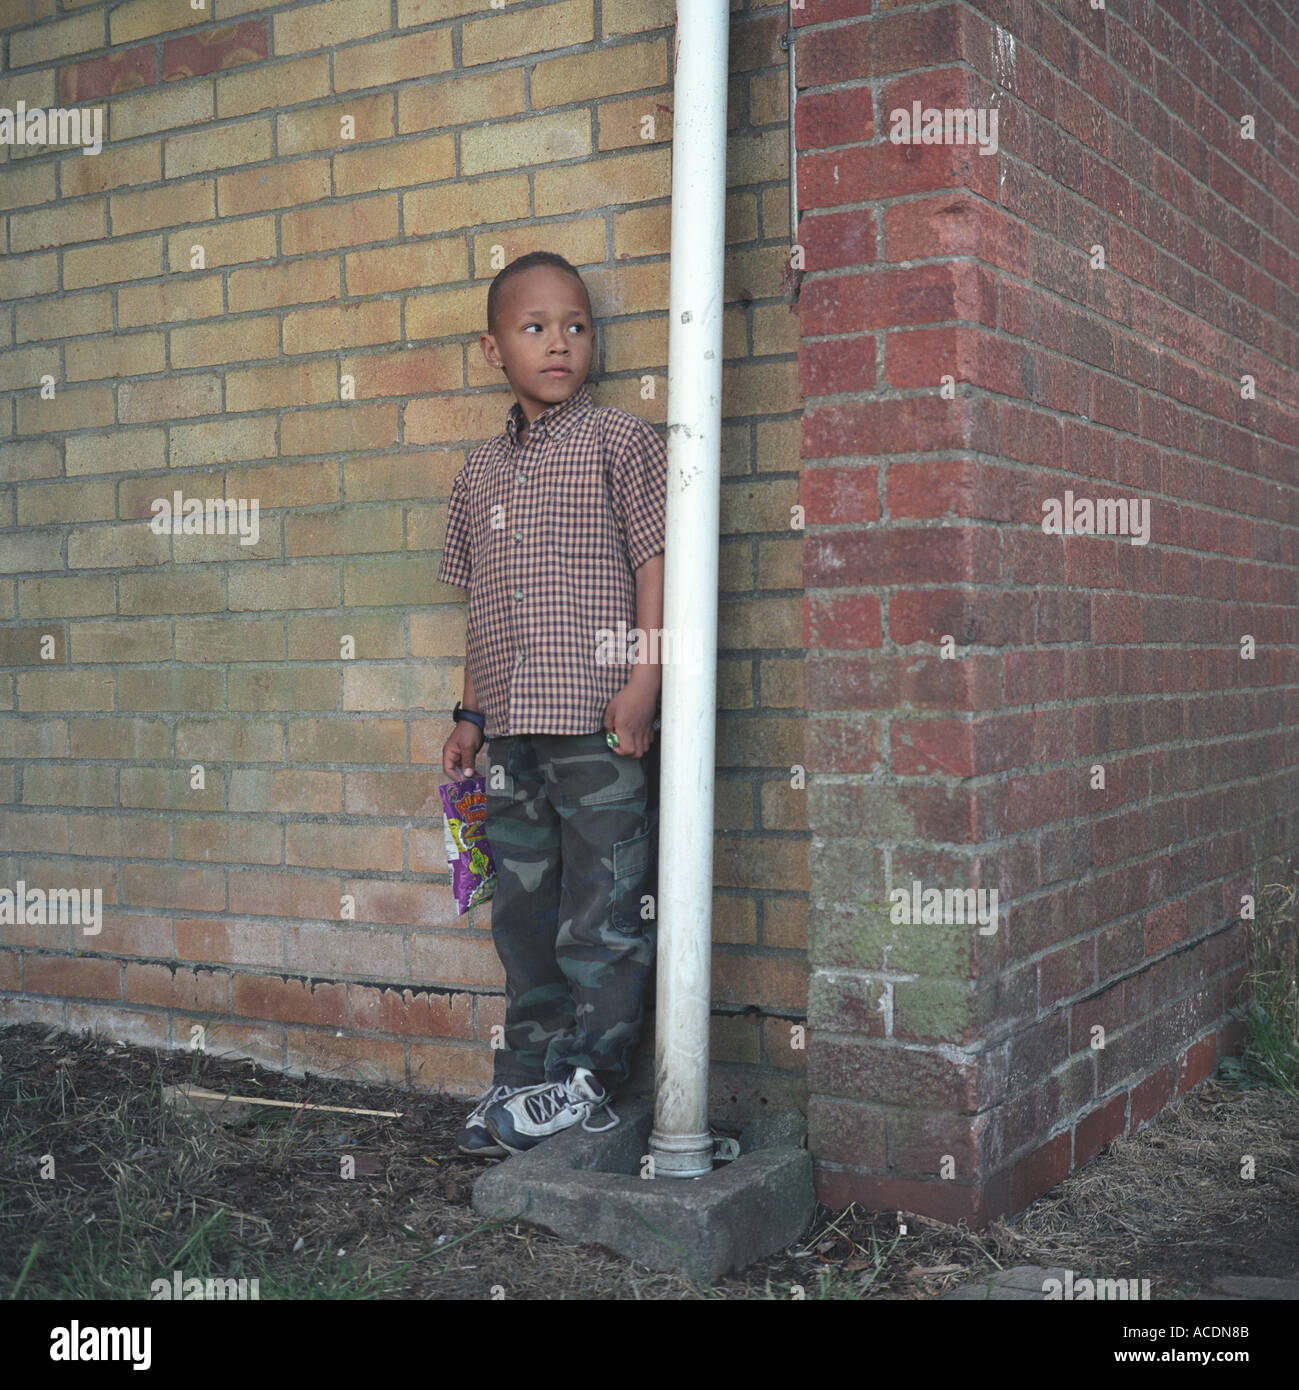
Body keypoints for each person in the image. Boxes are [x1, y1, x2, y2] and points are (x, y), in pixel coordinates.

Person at [437, 251, 667, 1156]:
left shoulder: (620, 443)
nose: (559, 343)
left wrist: (644, 679)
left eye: (575, 324)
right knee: (522, 913)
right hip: (510, 733)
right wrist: (468, 714)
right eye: (534, 328)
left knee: (603, 908)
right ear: (494, 349)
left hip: (598, 718)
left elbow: (655, 564)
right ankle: (524, 1080)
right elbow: (479, 603)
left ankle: (586, 1082)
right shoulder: (478, 471)